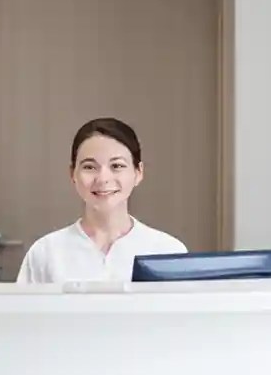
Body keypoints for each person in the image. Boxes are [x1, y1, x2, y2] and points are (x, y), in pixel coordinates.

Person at [15, 117, 187, 283]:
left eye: (117, 166)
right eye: (89, 167)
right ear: (72, 173)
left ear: (138, 172)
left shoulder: (168, 251)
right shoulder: (46, 253)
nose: (103, 179)